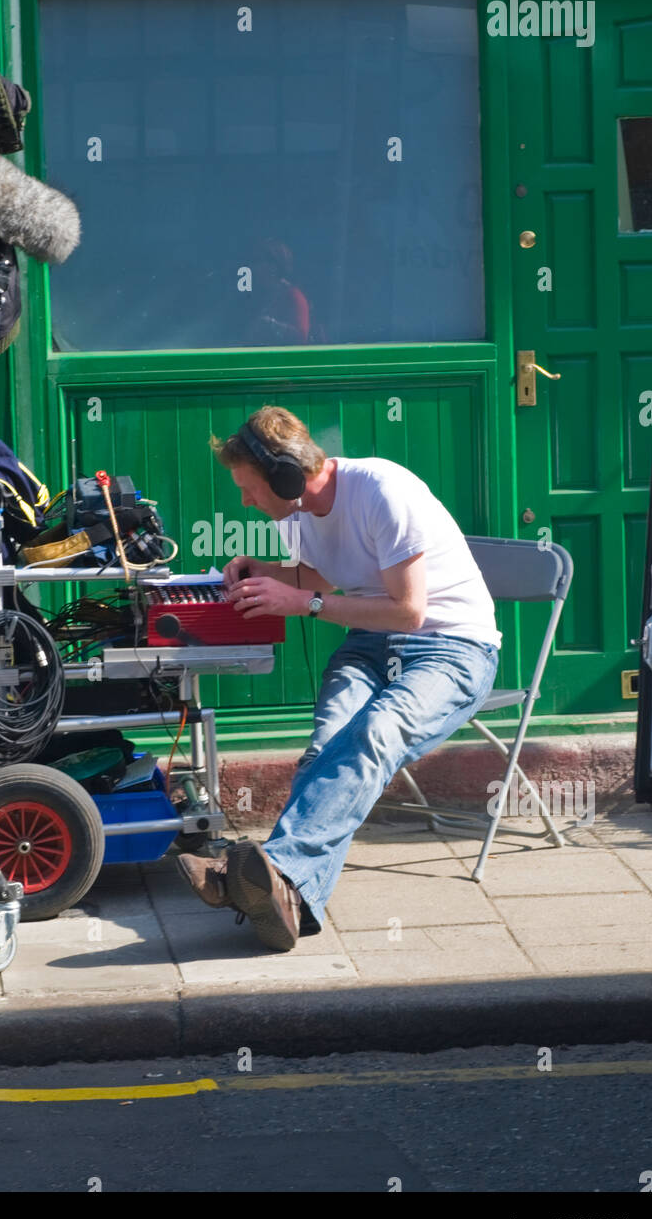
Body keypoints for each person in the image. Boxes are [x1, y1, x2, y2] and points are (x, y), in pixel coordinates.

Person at [176, 406, 501, 952]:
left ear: (285, 476)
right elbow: (324, 574)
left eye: (250, 488)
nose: (245, 502)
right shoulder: (301, 510)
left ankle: (266, 872)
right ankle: (288, 902)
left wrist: (303, 603)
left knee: (374, 732)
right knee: (326, 747)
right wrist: (266, 571)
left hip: (452, 649)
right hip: (372, 645)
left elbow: (409, 612)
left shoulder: (381, 491)